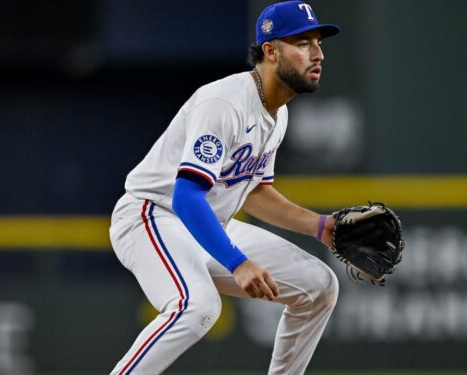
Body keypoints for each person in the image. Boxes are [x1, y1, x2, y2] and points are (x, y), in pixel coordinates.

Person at [109, 2, 341, 374]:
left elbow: (254, 190)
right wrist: (238, 262)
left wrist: (319, 226)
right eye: (303, 43)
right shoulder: (225, 103)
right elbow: (186, 196)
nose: (318, 54)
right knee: (197, 306)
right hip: (154, 215)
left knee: (320, 286)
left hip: (208, 222)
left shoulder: (277, 113)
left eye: (318, 42)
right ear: (271, 50)